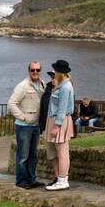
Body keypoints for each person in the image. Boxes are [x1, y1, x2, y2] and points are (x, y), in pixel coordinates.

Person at [8, 61, 45, 189]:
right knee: (23, 155)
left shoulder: (42, 84)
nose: (35, 72)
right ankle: (21, 181)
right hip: (23, 126)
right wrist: (23, 117)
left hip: (36, 126)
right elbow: (11, 104)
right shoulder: (22, 86)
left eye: (37, 70)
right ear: (28, 71)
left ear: (41, 70)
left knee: (33, 155)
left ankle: (31, 179)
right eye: (32, 70)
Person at [44, 60, 75, 191]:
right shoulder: (62, 85)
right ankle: (61, 179)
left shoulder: (65, 87)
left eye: (55, 71)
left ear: (60, 72)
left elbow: (62, 108)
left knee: (62, 152)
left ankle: (63, 180)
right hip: (56, 120)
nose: (54, 73)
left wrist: (56, 126)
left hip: (60, 121)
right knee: (59, 151)